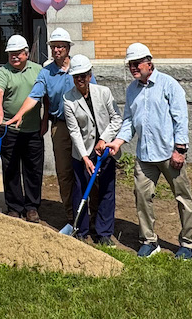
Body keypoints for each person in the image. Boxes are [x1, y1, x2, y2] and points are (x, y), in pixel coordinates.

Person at [106, 43, 192, 259]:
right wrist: (118, 141)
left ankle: (188, 244)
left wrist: (180, 150)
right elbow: (129, 121)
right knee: (141, 197)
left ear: (149, 62)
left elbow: (180, 118)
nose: (133, 68)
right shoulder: (131, 90)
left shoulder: (169, 85)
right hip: (145, 156)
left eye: (137, 64)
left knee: (183, 198)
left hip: (169, 153)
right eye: (130, 65)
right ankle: (149, 241)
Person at [4, 27, 78, 222]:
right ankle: (72, 217)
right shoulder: (45, 72)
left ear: (68, 48)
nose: (56, 50)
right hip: (60, 126)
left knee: (83, 170)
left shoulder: (79, 67)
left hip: (82, 125)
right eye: (53, 47)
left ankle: (91, 218)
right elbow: (35, 95)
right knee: (63, 173)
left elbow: (93, 92)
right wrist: (19, 114)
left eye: (60, 46)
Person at [63, 54, 122, 245]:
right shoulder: (68, 99)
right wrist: (85, 158)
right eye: (76, 76)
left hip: (105, 151)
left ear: (90, 75)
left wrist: (104, 139)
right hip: (83, 153)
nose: (79, 80)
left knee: (106, 190)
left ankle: (104, 233)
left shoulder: (103, 92)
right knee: (80, 190)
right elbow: (74, 131)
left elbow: (116, 119)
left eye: (83, 75)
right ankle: (81, 229)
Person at [0, 34, 44, 222]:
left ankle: (32, 207)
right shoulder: (3, 71)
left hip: (32, 129)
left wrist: (45, 119)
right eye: (11, 54)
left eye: (18, 54)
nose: (14, 57)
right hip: (9, 129)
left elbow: (43, 97)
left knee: (33, 170)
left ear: (26, 53)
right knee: (11, 168)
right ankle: (14, 207)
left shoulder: (38, 70)